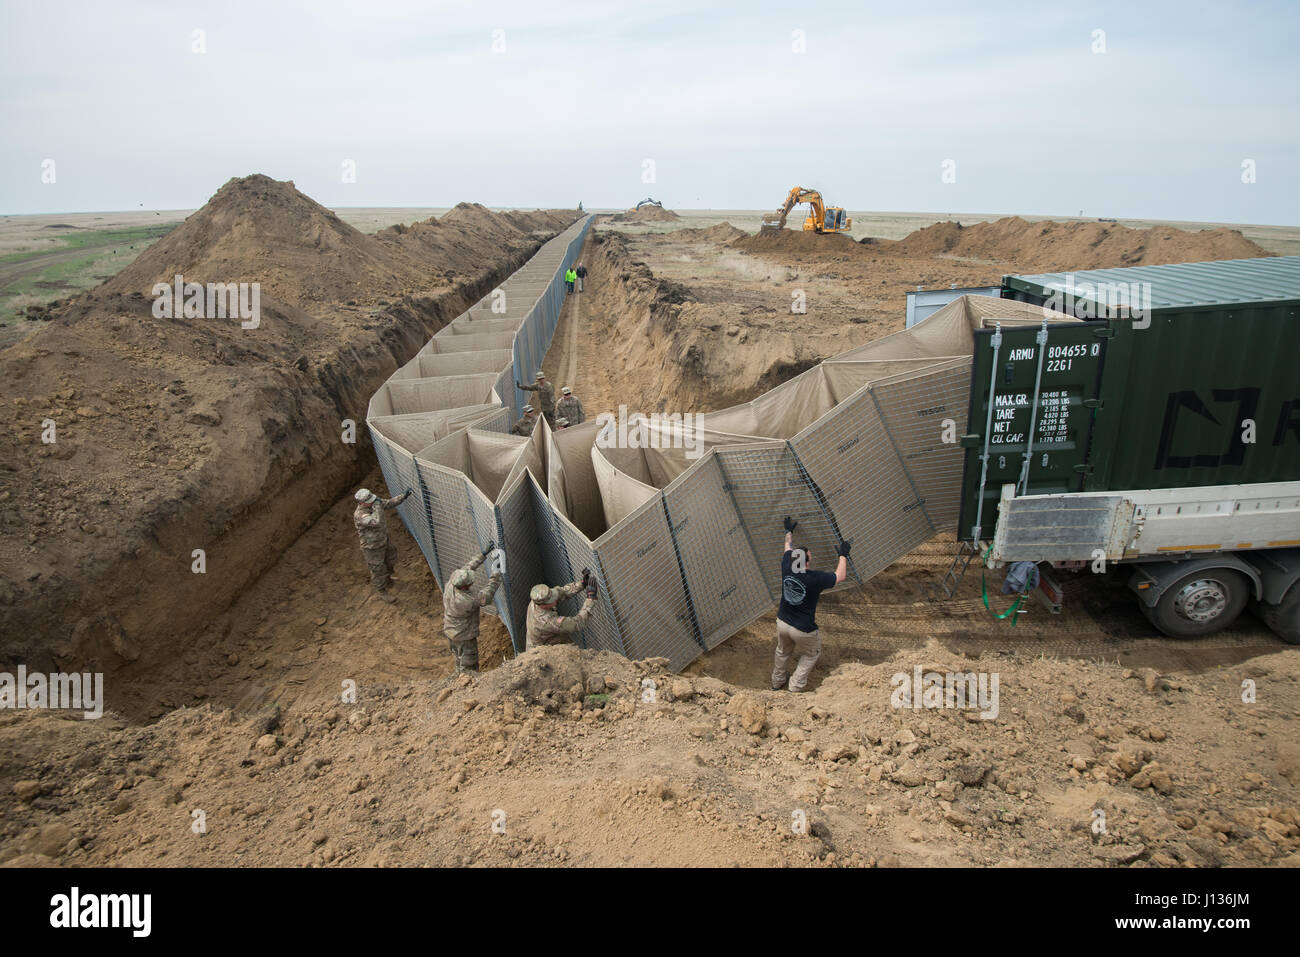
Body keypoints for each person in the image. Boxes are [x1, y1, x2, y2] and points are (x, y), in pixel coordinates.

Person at [772, 516, 850, 692]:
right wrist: (843, 555)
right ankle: (795, 687)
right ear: (807, 562)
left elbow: (787, 547)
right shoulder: (815, 579)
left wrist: (788, 532)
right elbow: (840, 576)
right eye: (810, 556)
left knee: (782, 651)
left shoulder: (786, 566)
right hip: (803, 629)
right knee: (811, 654)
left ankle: (777, 683)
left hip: (783, 622)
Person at [442, 543, 503, 674]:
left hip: (451, 632)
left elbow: (468, 567)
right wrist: (496, 574)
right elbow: (487, 594)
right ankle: (466, 686)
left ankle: (458, 676)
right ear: (465, 586)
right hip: (464, 636)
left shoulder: (451, 584)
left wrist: (483, 555)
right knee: (469, 667)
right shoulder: (467, 600)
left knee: (459, 658)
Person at [353, 487, 412, 603]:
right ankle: (382, 591)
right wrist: (377, 507)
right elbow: (376, 521)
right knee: (377, 569)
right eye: (369, 501)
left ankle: (388, 578)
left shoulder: (374, 504)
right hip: (372, 548)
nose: (372, 502)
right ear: (361, 503)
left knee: (391, 559)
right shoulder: (360, 514)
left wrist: (403, 496)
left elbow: (389, 503)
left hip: (384, 540)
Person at [525, 570, 598, 649]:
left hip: (538, 638)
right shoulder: (547, 622)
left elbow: (561, 592)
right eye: (552, 600)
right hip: (541, 651)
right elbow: (577, 624)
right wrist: (591, 598)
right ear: (543, 605)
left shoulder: (537, 598)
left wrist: (582, 583)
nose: (555, 599)